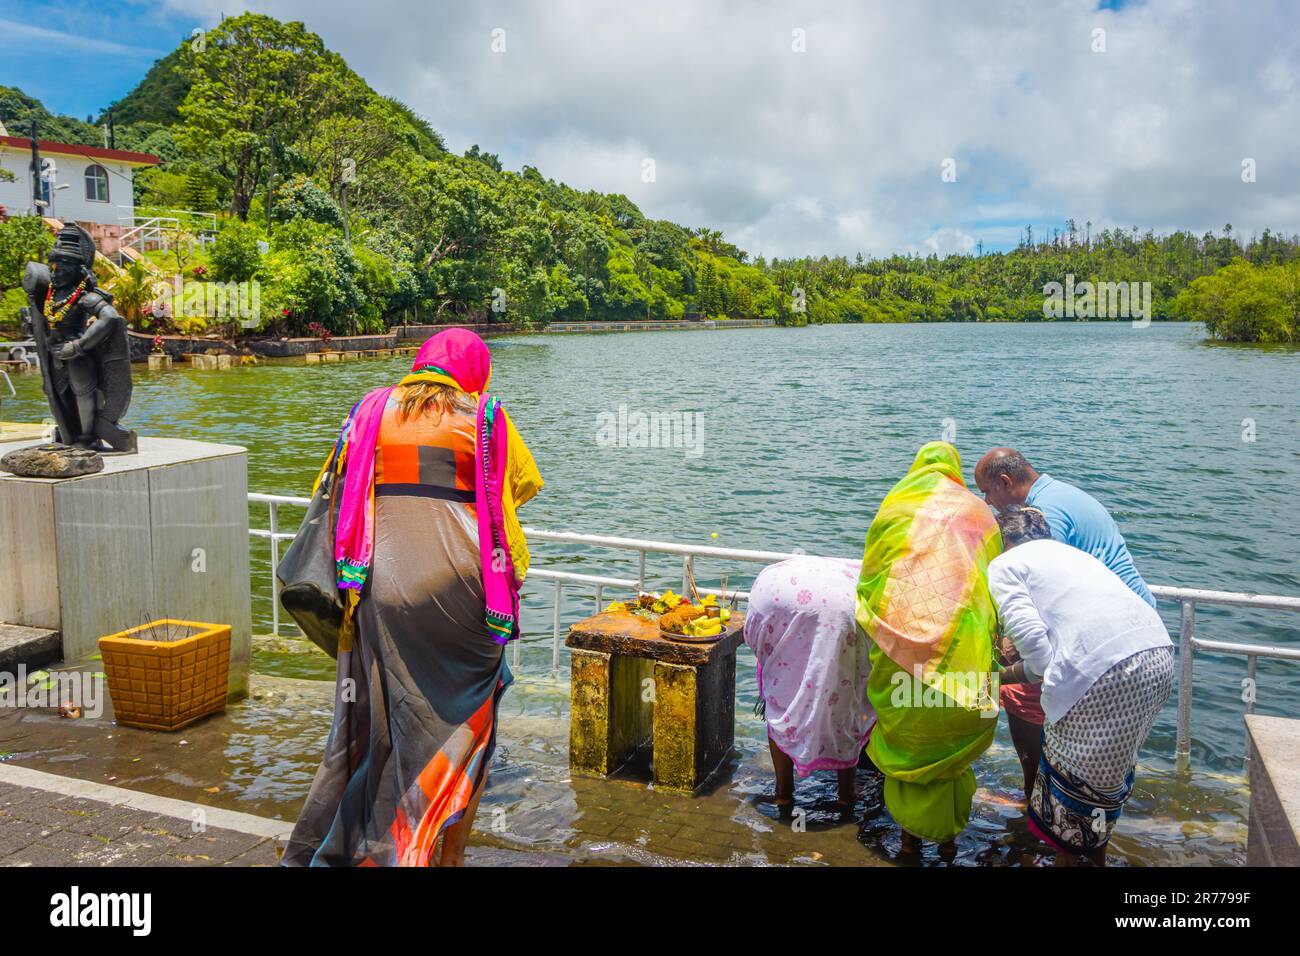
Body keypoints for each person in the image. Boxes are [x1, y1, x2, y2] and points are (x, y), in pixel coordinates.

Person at [283, 329, 543, 867]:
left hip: (380, 588)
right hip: (468, 596)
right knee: (469, 728)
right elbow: (519, 489)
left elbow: (329, 486)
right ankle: (439, 855)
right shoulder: (485, 417)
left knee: (381, 722)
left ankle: (370, 846)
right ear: (475, 371)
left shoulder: (370, 411)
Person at [988, 505, 1174, 864]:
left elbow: (1040, 660)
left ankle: (1068, 861)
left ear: (1004, 539)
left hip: (1106, 673)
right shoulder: (1072, 554)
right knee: (1103, 783)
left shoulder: (1006, 565)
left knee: (1069, 786)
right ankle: (1095, 859)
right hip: (1157, 655)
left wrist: (998, 677)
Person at [974, 447, 1155, 797]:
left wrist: (997, 667)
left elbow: (1033, 594)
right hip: (1139, 629)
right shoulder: (1060, 493)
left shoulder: (1044, 514)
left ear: (1006, 482)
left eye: (987, 491)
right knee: (1101, 757)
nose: (987, 500)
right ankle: (1082, 811)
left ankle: (1036, 796)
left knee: (1022, 694)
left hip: (1102, 637)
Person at [855, 442, 1001, 853]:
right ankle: (951, 843)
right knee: (950, 750)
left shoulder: (897, 505)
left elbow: (871, 578)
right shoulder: (979, 512)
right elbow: (994, 587)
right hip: (964, 657)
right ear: (954, 470)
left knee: (911, 741)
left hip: (902, 654)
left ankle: (908, 844)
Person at [745, 556, 873, 817]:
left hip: (775, 596)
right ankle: (846, 794)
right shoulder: (867, 581)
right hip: (844, 610)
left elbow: (754, 633)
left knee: (780, 701)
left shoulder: (786, 572)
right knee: (847, 704)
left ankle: (783, 793)